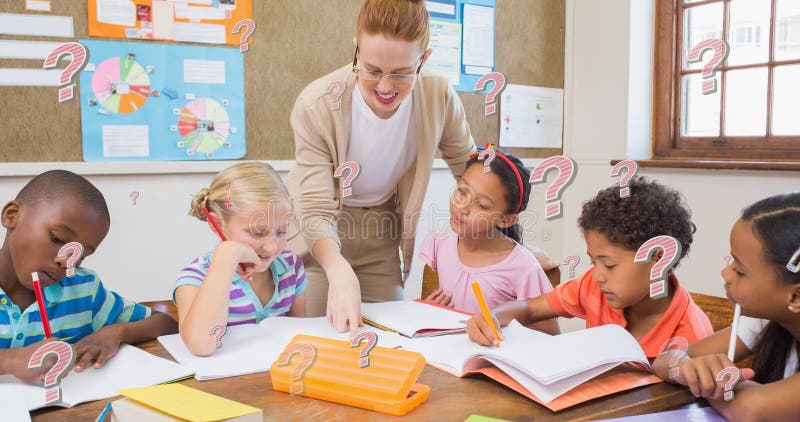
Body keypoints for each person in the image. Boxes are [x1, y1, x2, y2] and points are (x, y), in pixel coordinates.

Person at [285, 0, 476, 337]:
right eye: (372, 70)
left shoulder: (438, 96)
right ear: (356, 50)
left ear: (424, 60)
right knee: (316, 338)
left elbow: (472, 172)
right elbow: (314, 207)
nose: (385, 87)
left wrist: (511, 240)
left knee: (391, 337)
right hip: (318, 237)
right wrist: (337, 268)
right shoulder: (318, 103)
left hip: (380, 233)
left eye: (401, 73)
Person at [467, 177, 713, 358]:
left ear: (658, 259)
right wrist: (494, 317)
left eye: (609, 265)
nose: (597, 275)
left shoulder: (691, 333)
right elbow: (530, 309)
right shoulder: (592, 287)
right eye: (593, 261)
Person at [0, 170, 177, 381]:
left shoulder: (84, 290)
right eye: (57, 239)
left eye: (81, 255)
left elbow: (165, 323)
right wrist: (11, 360)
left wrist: (116, 333)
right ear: (12, 216)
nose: (66, 262)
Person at [653, 193, 800, 421]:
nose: (725, 273)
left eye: (740, 270)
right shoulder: (765, 321)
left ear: (795, 296)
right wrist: (684, 368)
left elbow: (751, 409)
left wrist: (710, 383)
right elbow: (665, 360)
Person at [419, 146, 559, 334]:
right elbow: (437, 313)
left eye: (482, 205)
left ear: (506, 219)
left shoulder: (523, 267)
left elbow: (550, 336)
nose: (462, 206)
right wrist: (425, 311)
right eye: (462, 191)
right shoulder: (439, 243)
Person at [175, 162, 307, 356]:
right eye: (257, 232)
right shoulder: (195, 277)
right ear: (217, 224)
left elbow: (299, 335)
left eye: (281, 231)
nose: (271, 247)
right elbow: (200, 345)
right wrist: (227, 255)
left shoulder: (290, 268)